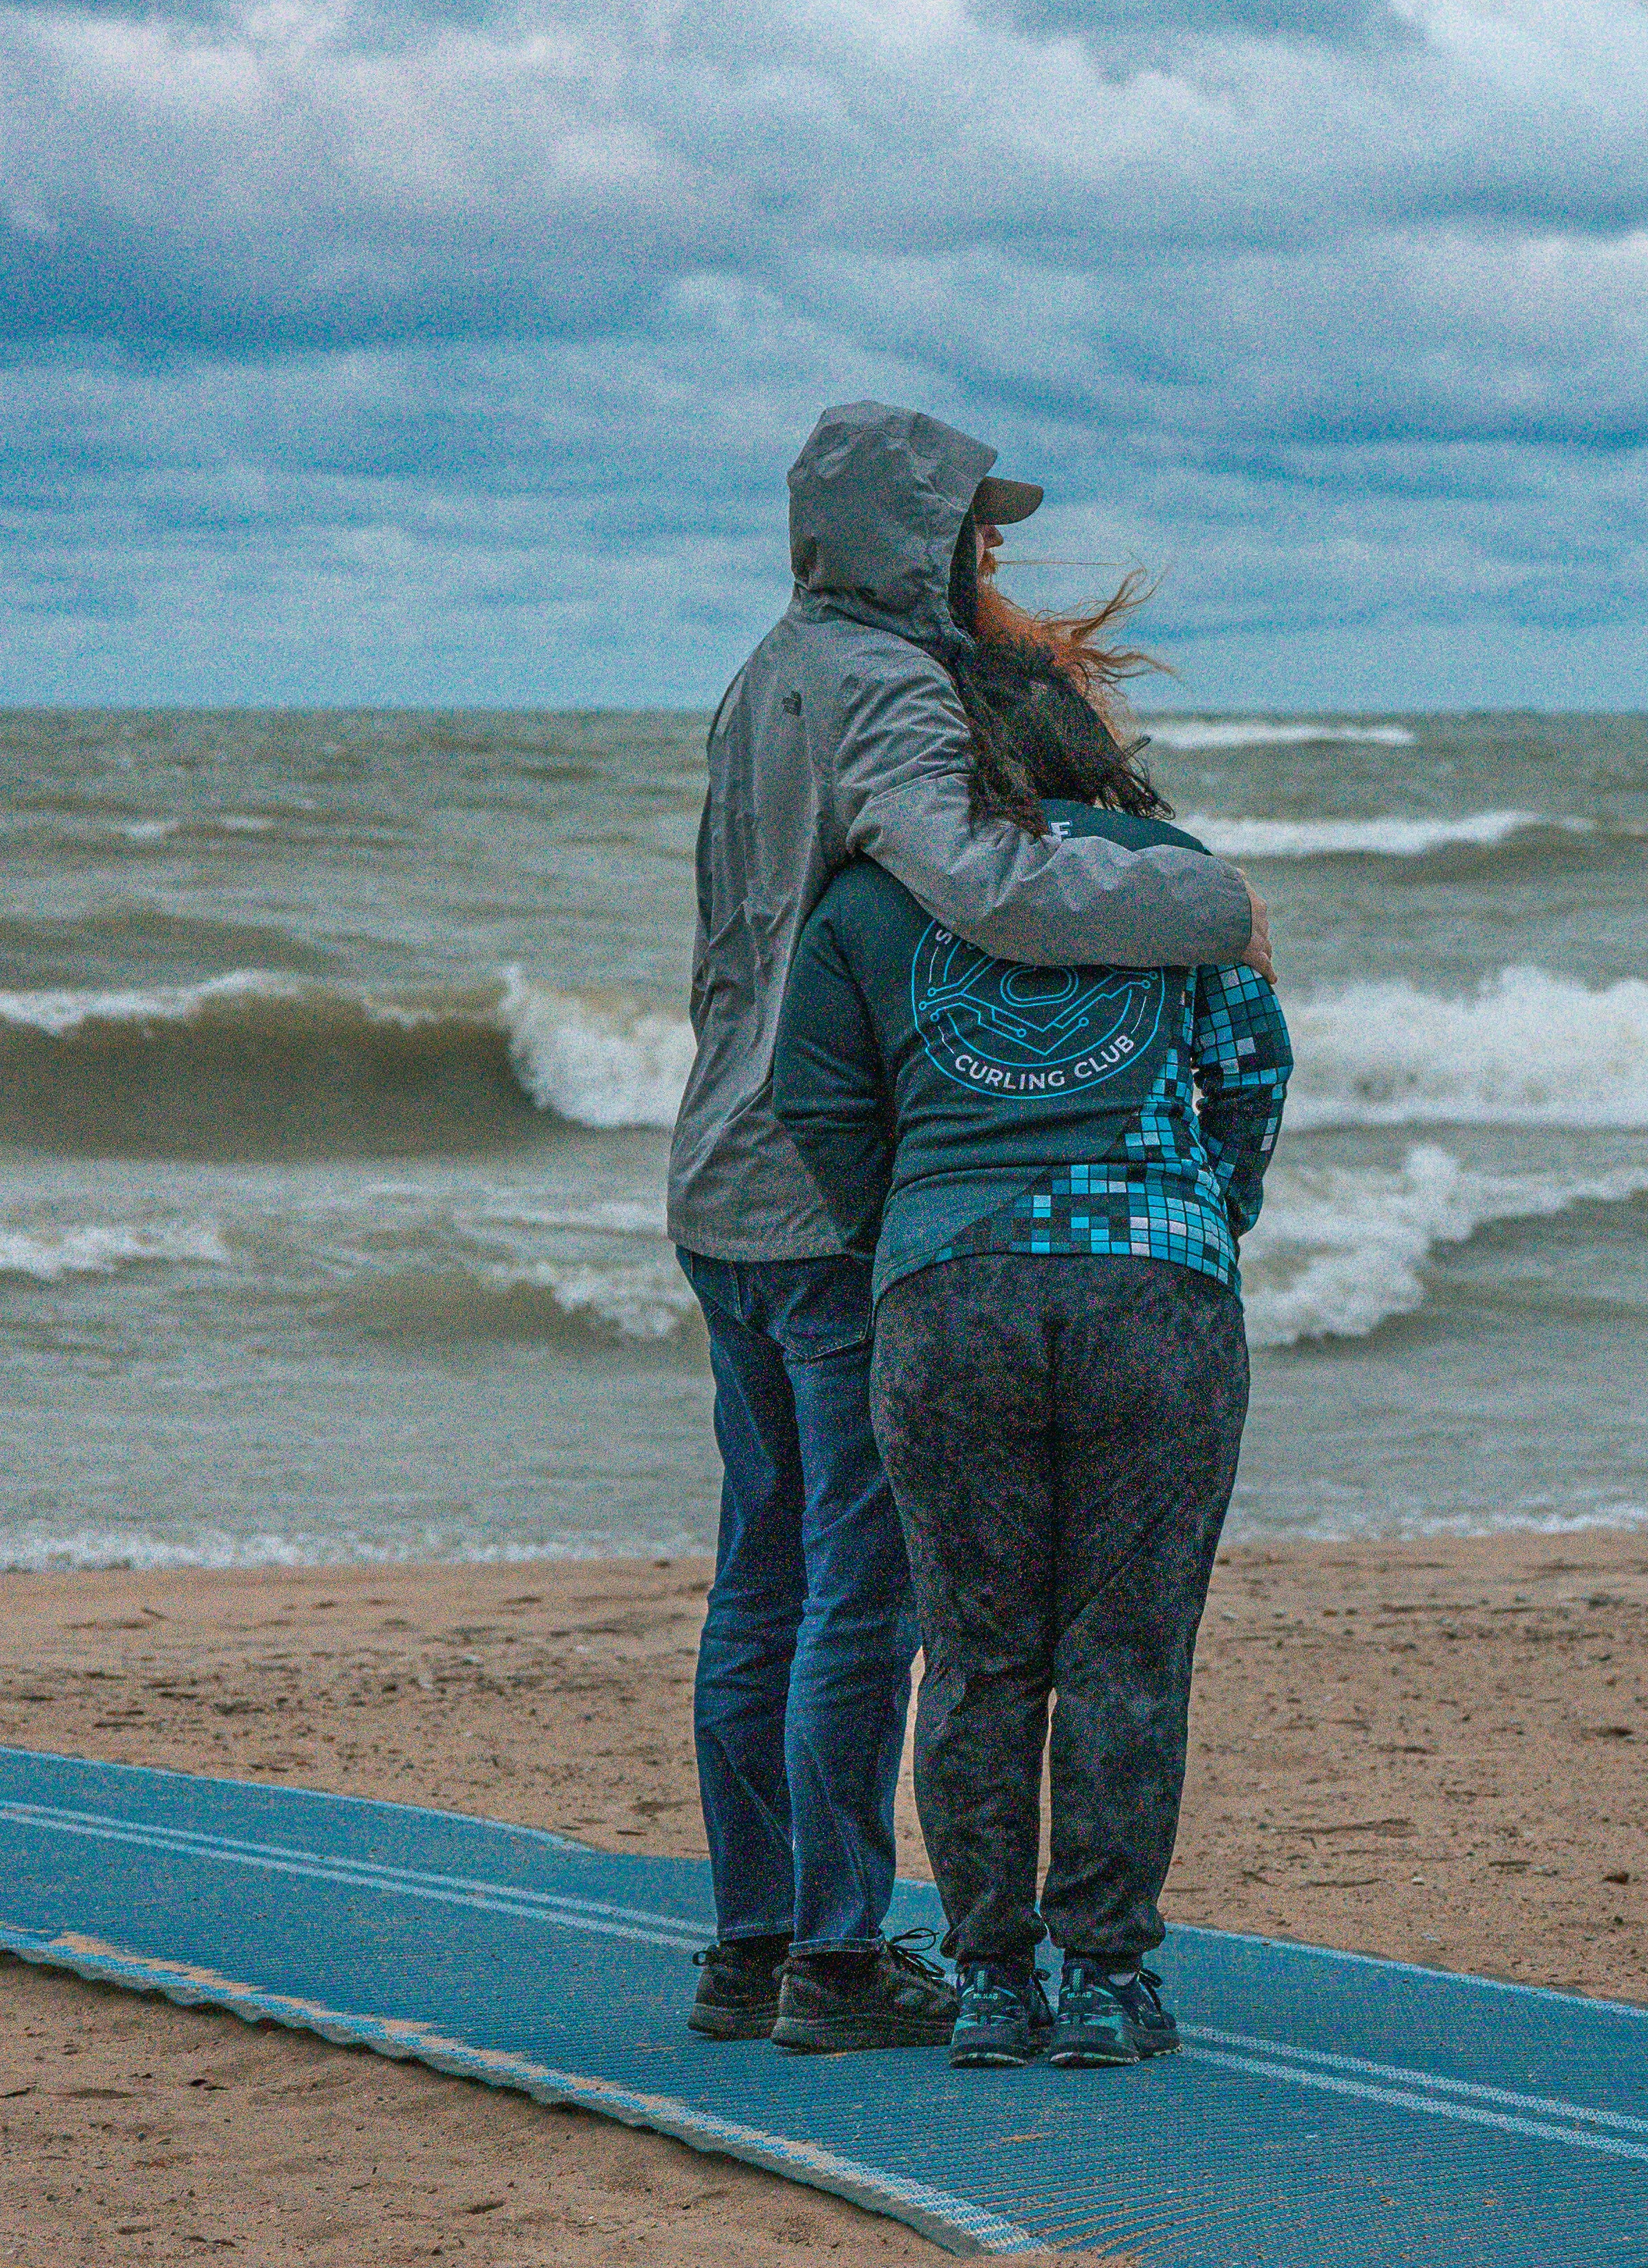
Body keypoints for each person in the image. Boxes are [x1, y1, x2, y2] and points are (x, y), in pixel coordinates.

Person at [668, 401, 1269, 2057]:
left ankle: (755, 1939)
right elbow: (986, 885)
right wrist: (1206, 903)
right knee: (866, 1595)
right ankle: (841, 1964)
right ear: (912, 539)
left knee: (762, 1582)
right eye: (970, 530)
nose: (992, 554)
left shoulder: (765, 673)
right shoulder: (880, 686)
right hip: (822, 1192)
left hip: (719, 1171)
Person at [768, 627, 1288, 2071]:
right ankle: (1110, 1981)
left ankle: (993, 1979)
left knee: (980, 1657)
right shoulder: (1173, 873)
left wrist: (913, 1232)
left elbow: (812, 1097)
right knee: (1128, 1651)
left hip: (948, 1302)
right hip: (1156, 1297)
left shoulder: (867, 906)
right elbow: (1252, 1068)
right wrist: (1209, 1216)